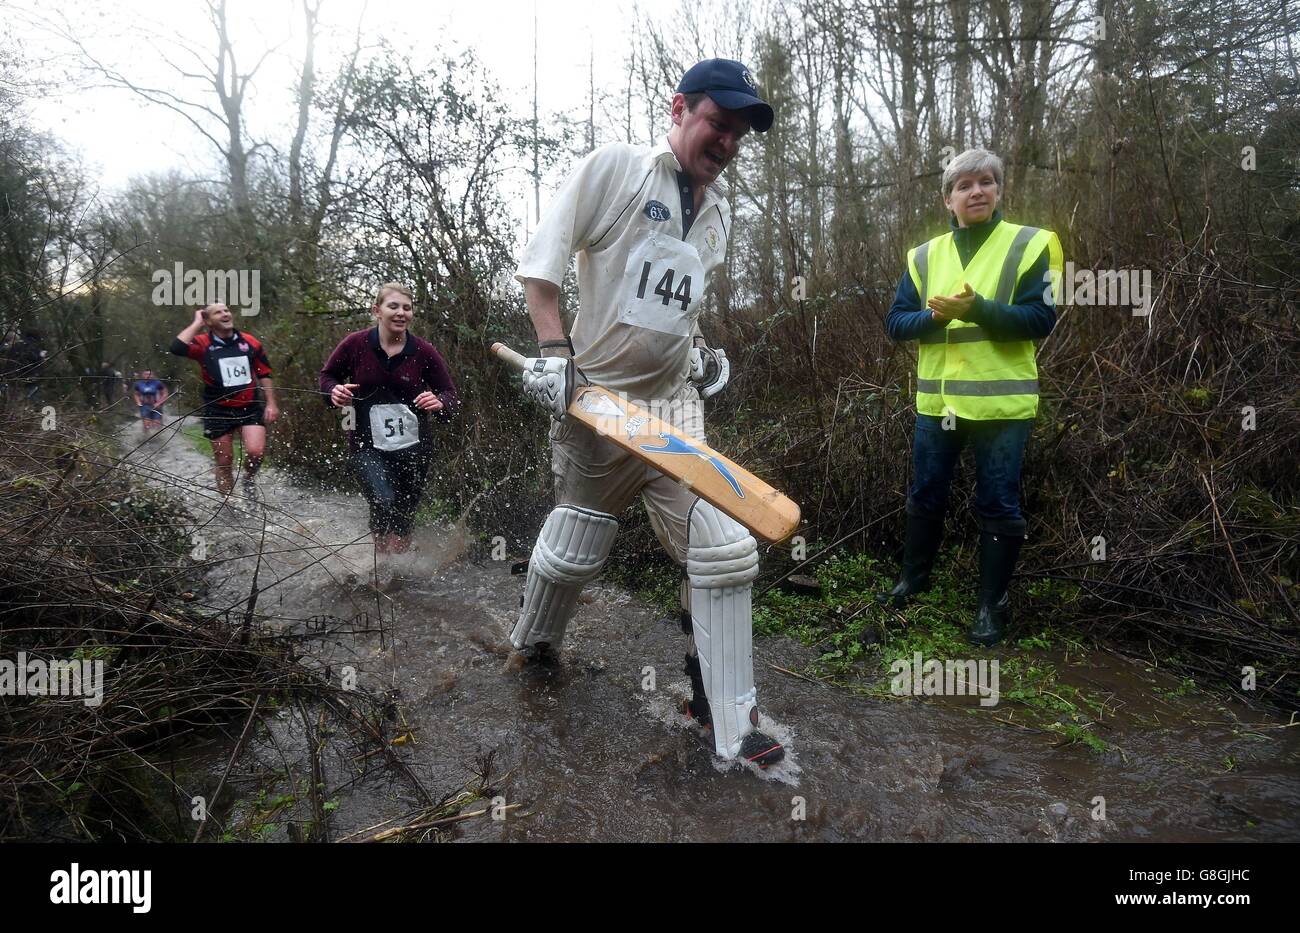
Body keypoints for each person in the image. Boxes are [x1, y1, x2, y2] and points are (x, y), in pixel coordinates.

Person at [510, 59, 783, 768]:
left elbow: (676, 305)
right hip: (597, 407)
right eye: (717, 123)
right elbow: (542, 266)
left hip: (672, 414)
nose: (726, 142)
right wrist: (550, 349)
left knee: (723, 547)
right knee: (575, 552)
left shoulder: (718, 213)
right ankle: (533, 647)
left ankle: (726, 718)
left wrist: (698, 356)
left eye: (739, 133)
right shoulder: (616, 170)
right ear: (681, 109)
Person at [880, 147, 1063, 647]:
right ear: (948, 199)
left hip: (1003, 408)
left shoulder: (1032, 244)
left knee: (998, 504)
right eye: (964, 185)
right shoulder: (923, 256)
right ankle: (913, 580)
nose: (976, 191)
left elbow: (1041, 320)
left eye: (985, 182)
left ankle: (991, 607)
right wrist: (935, 318)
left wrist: (978, 308)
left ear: (998, 191)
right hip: (938, 407)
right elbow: (896, 323)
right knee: (924, 494)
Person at [319, 284, 460, 554]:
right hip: (366, 445)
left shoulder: (423, 352)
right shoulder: (355, 344)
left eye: (406, 308)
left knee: (404, 513)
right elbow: (328, 376)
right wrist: (333, 391)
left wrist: (440, 402)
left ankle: (398, 574)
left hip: (414, 448)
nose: (400, 313)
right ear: (377, 311)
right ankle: (380, 564)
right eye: (393, 306)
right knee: (382, 501)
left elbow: (449, 393)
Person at [170, 304, 278, 496]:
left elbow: (265, 373)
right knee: (224, 460)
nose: (225, 314)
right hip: (217, 408)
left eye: (227, 310)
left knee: (256, 452)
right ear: (208, 321)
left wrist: (271, 403)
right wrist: (196, 323)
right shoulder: (203, 344)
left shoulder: (249, 342)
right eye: (218, 312)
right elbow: (177, 348)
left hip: (249, 406)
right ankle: (229, 503)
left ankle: (248, 479)